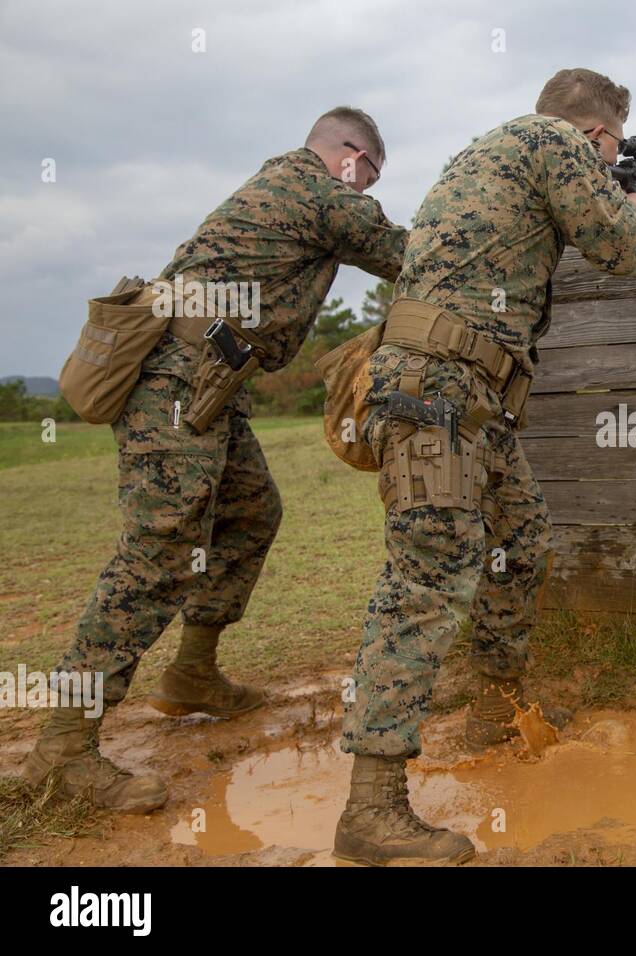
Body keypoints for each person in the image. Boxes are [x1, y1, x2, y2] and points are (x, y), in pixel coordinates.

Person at [333, 68, 636, 866]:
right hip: (438, 387)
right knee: (428, 578)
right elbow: (618, 248)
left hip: (471, 394)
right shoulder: (552, 140)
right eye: (610, 148)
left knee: (523, 537)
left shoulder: (492, 150)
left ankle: (494, 704)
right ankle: (369, 809)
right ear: (600, 136)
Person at [22, 107, 408, 814]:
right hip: (178, 377)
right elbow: (407, 255)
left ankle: (193, 673)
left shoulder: (281, 188)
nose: (365, 193)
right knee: (160, 549)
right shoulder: (313, 191)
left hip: (206, 380)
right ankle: (64, 747)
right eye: (368, 177)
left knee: (251, 511)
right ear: (349, 155)